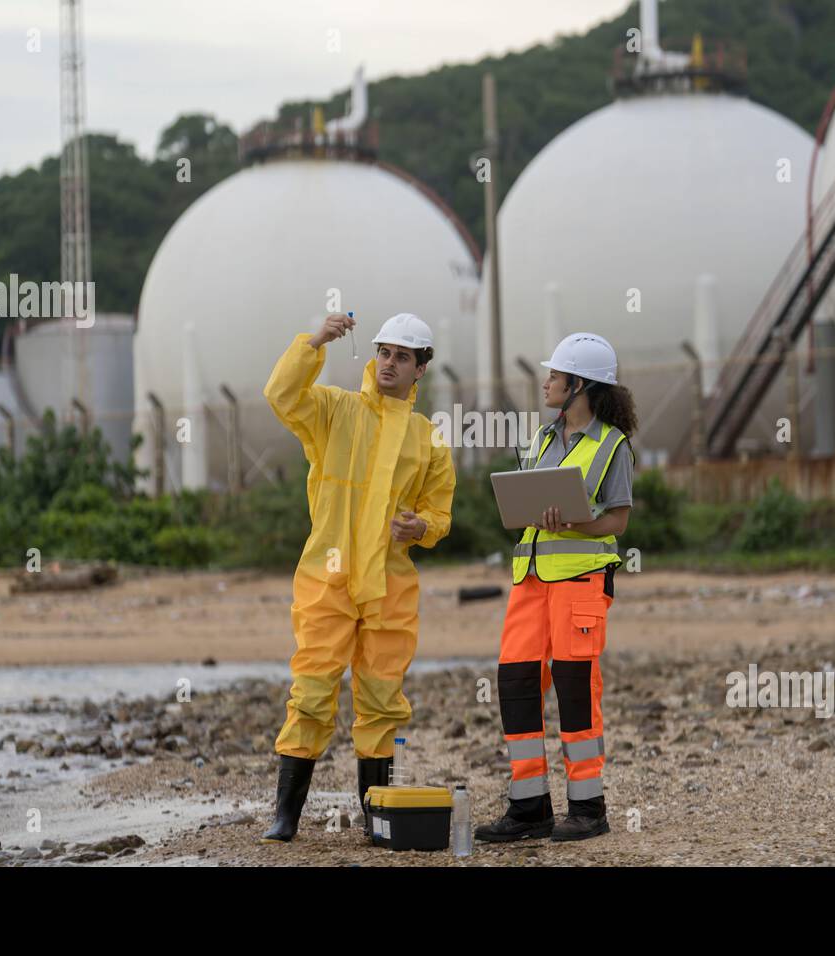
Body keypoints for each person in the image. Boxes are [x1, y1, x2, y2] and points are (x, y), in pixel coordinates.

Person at [259, 312, 456, 843]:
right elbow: (280, 393)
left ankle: (377, 820)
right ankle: (286, 817)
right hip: (329, 577)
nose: (390, 363)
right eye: (385, 352)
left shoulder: (429, 441)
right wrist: (314, 342)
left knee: (382, 701)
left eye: (403, 357)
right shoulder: (333, 410)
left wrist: (421, 527)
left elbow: (440, 516)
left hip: (390, 585)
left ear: (420, 370)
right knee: (312, 691)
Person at [475, 332, 637, 843]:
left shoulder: (613, 446)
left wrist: (572, 524)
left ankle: (588, 809)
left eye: (554, 376)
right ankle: (529, 809)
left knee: (574, 689)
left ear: (579, 385)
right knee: (517, 685)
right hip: (529, 583)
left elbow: (618, 521)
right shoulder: (540, 440)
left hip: (580, 585)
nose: (545, 382)